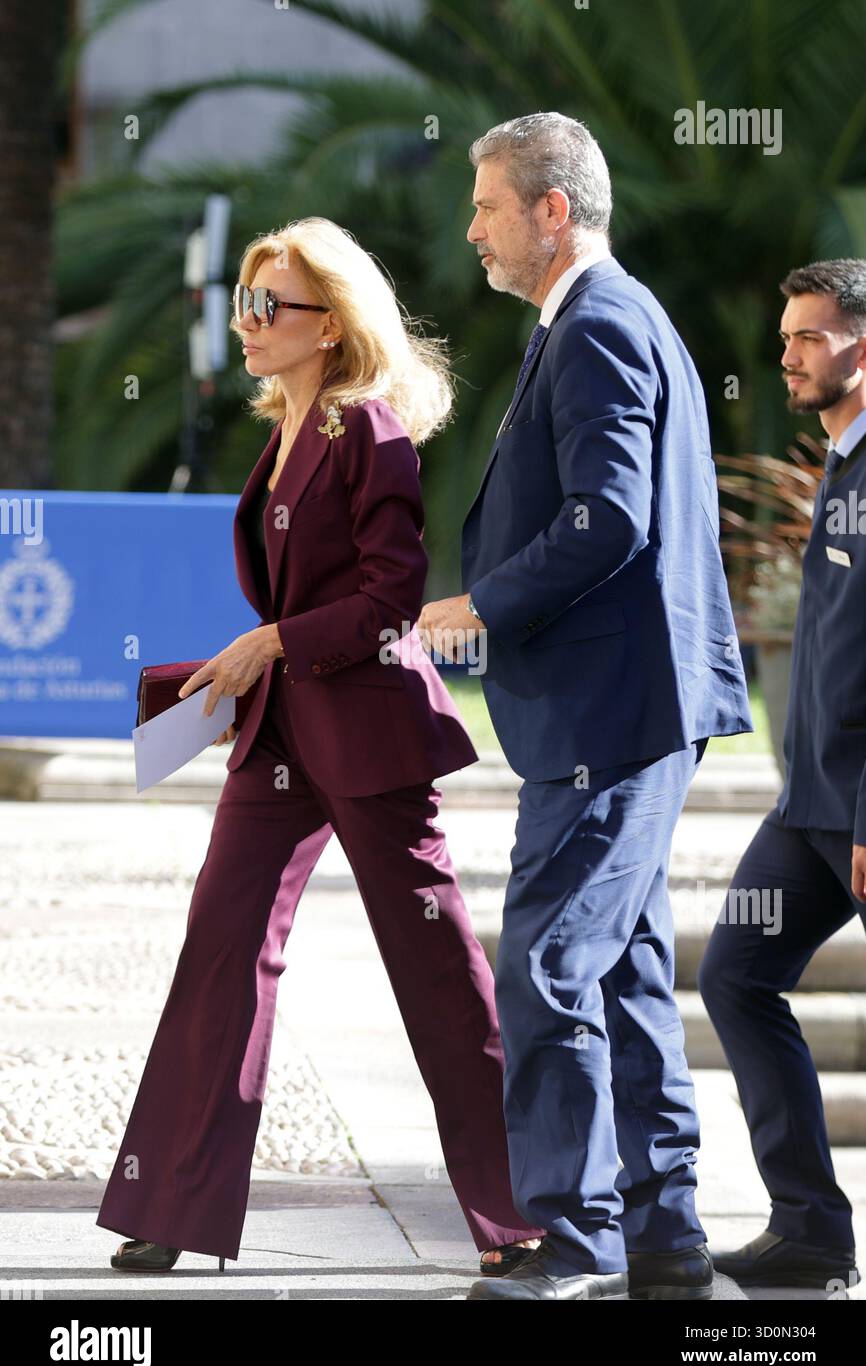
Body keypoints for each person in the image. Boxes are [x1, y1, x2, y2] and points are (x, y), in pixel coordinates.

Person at [96, 215, 544, 1275]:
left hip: (372, 733)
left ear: (331, 326)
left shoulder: (364, 431)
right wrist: (252, 657)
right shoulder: (284, 427)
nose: (247, 323)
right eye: (242, 303)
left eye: (270, 306)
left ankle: (518, 1216)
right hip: (279, 738)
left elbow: (390, 598)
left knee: (437, 973)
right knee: (219, 949)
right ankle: (172, 1206)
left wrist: (271, 640)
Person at [419, 112, 752, 1302]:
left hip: (611, 710)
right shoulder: (597, 321)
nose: (472, 229)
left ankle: (575, 1241)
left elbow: (605, 519)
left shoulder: (599, 324)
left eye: (487, 205)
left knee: (548, 966)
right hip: (625, 704)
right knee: (618, 973)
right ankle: (664, 1242)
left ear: (550, 210)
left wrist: (477, 608)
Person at [700, 259, 866, 1291]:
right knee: (733, 973)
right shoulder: (841, 463)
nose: (786, 353)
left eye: (807, 336)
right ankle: (807, 1224)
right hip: (810, 803)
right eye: (786, 334)